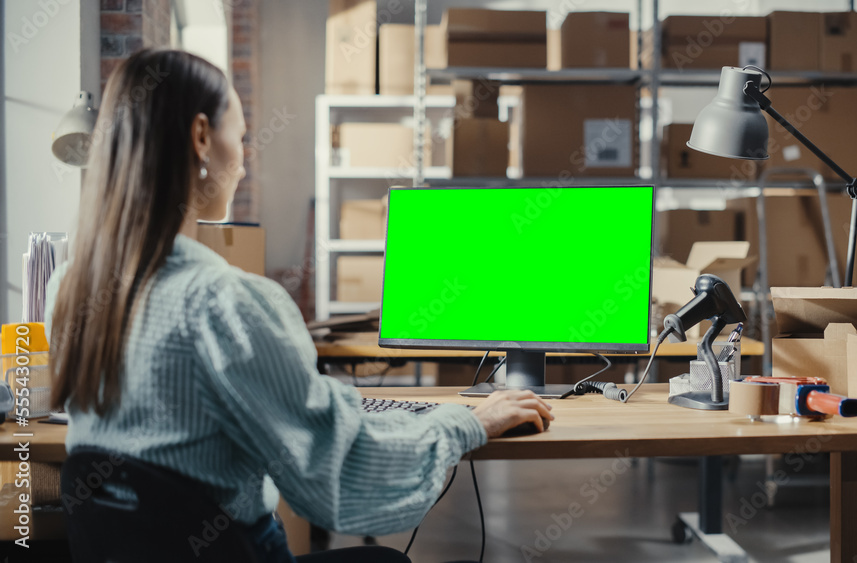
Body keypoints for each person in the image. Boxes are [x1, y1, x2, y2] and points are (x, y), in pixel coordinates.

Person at [45, 48, 554, 563]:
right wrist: (471, 422)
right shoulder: (224, 302)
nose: (243, 162)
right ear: (201, 137)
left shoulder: (70, 287)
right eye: (240, 138)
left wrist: (383, 411)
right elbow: (340, 478)